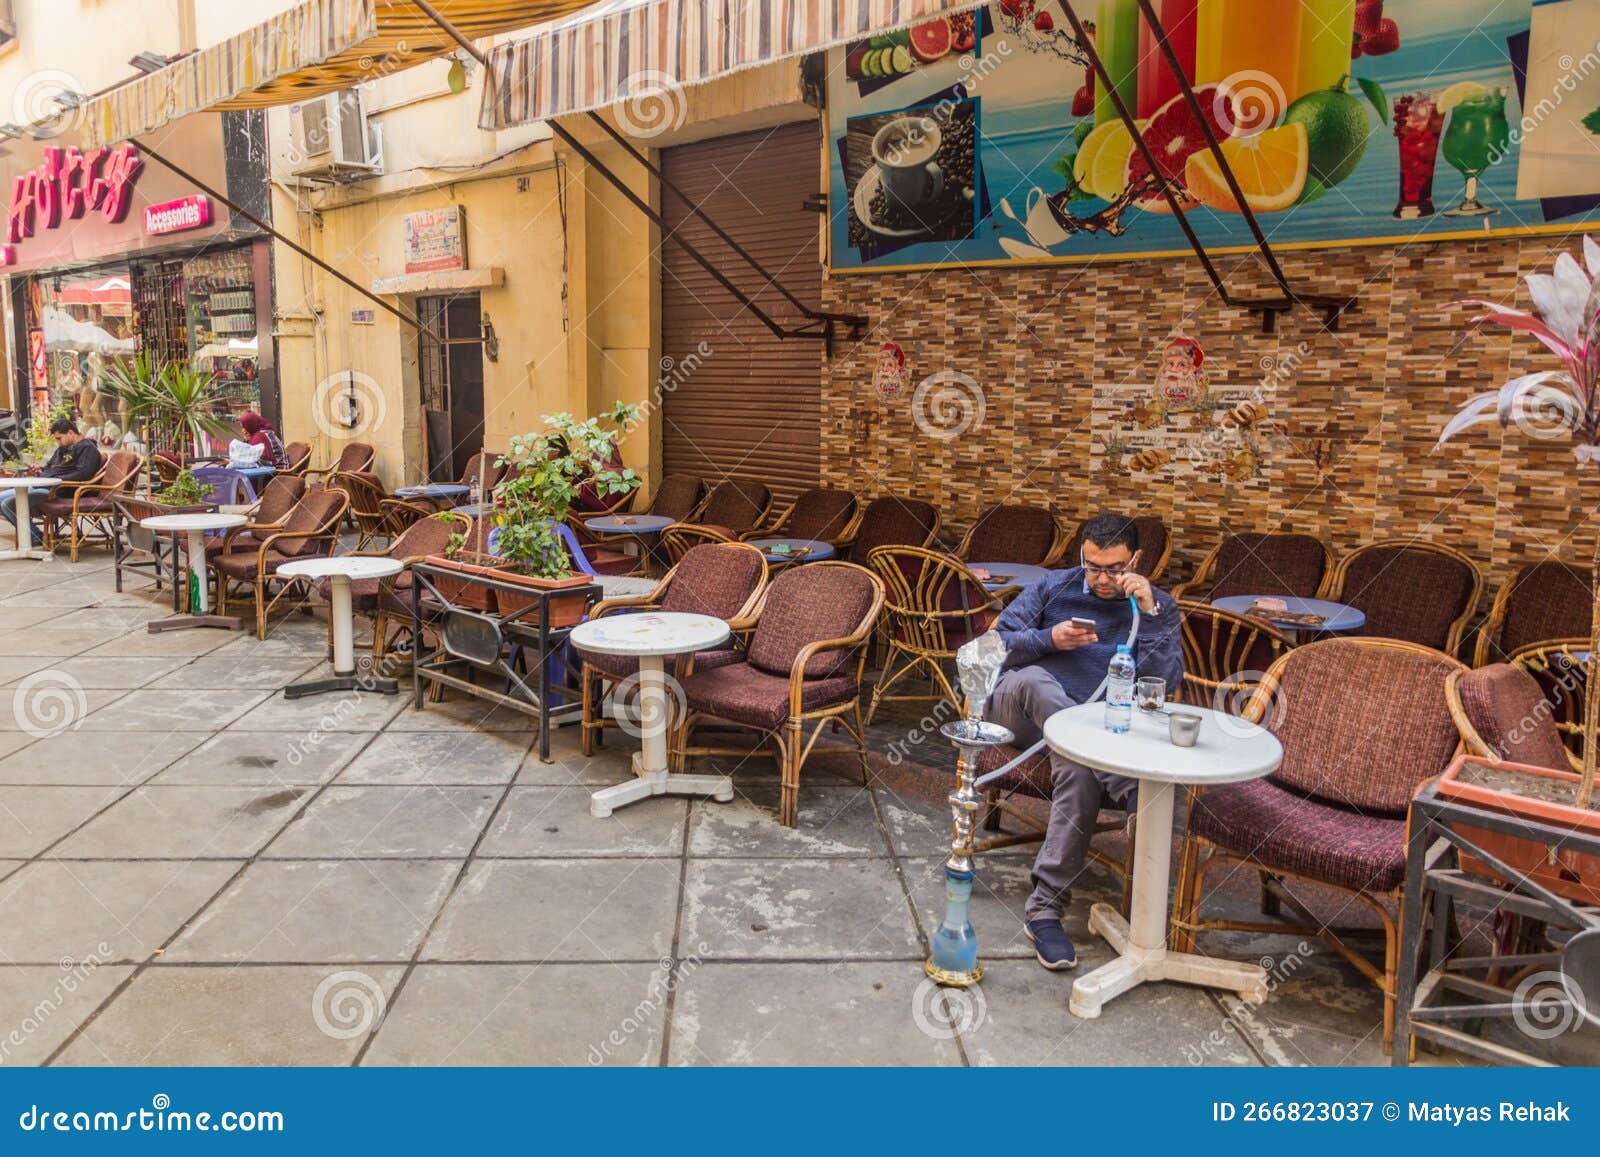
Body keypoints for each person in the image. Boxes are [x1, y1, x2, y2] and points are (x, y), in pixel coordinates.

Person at [987, 512, 1183, 971]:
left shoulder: (1156, 606)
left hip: (1089, 736)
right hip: (1019, 710)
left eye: (1114, 569)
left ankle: (1045, 911)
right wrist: (1049, 639)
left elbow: (1165, 683)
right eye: (1093, 567)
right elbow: (994, 645)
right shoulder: (1052, 587)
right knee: (1036, 680)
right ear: (1081, 556)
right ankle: (1125, 785)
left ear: (1136, 560)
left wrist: (1150, 615)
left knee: (1076, 767)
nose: (1102, 579)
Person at [1, 418, 104, 549]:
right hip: (44, 485)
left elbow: (83, 475)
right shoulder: (63, 448)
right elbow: (50, 468)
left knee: (8, 504)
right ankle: (32, 535)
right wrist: (40, 470)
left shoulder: (88, 449)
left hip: (59, 491)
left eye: (59, 438)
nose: (58, 442)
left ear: (71, 433)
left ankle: (35, 537)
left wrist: (55, 480)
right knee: (2, 500)